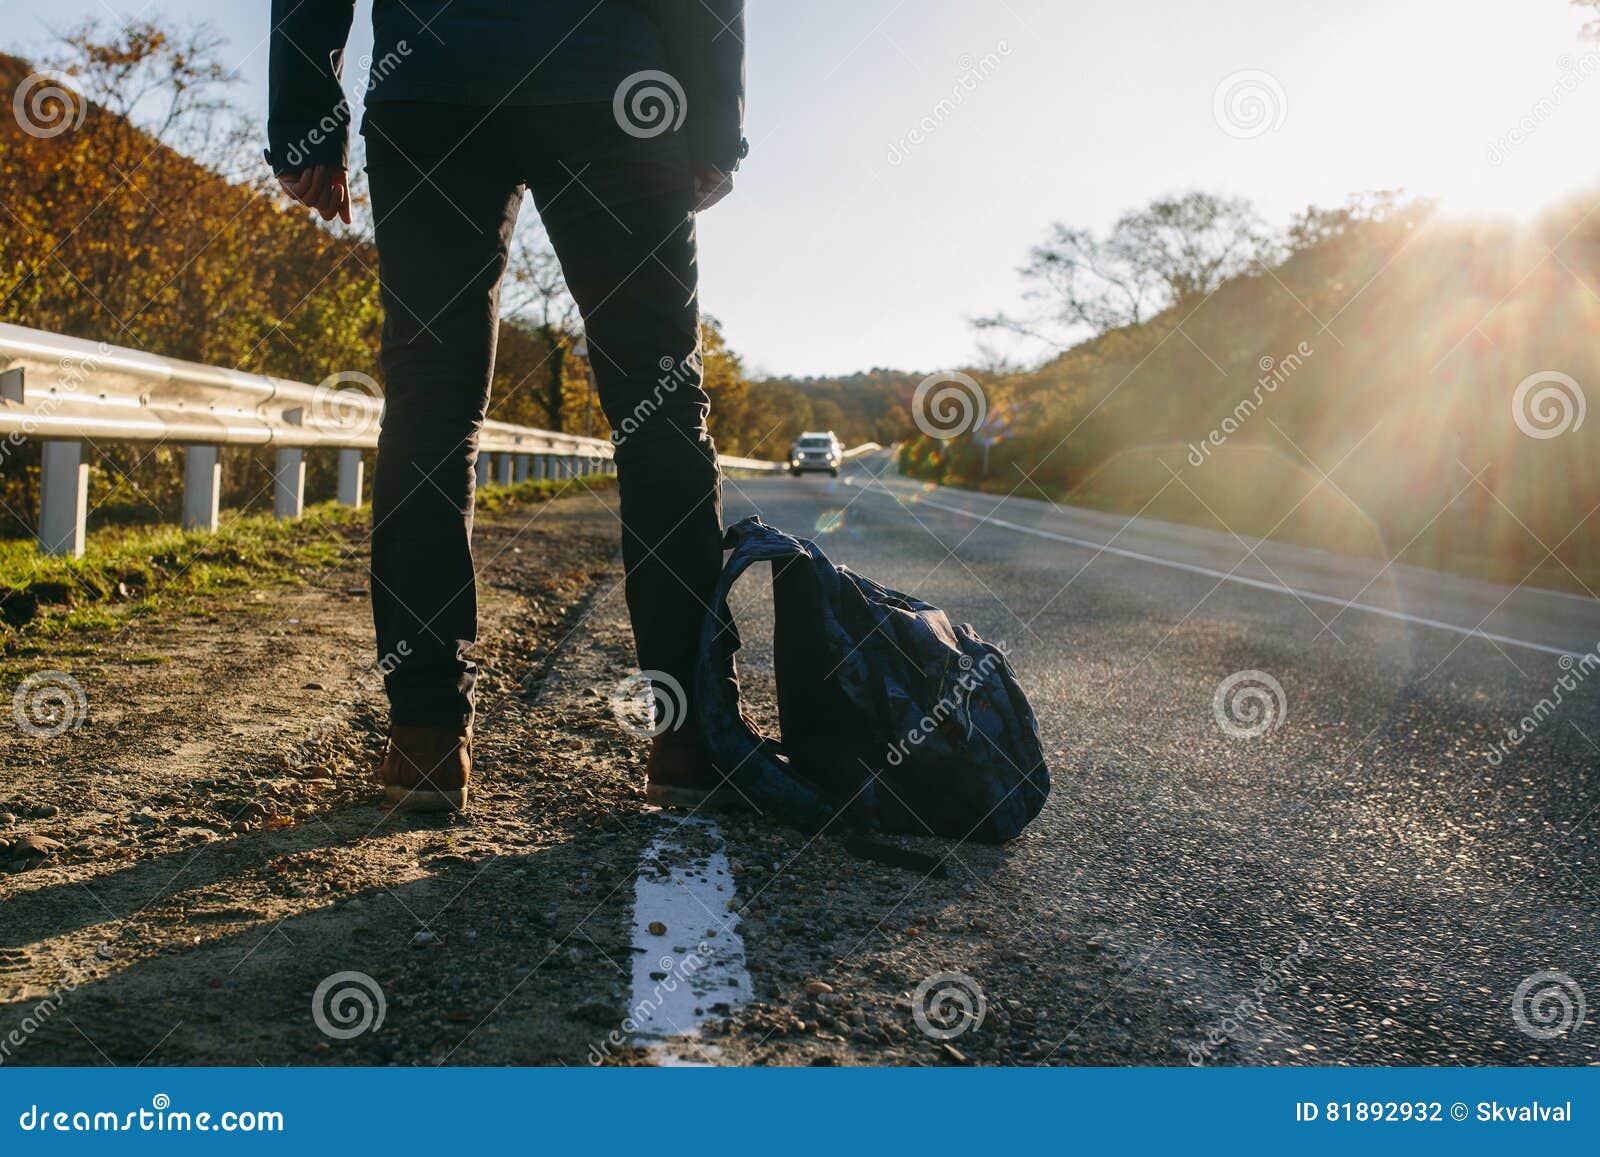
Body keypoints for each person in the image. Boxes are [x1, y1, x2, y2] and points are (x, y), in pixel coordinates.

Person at [266, 1, 746, 811]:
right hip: (615, 82)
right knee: (659, 404)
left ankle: (426, 735)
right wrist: (712, 121)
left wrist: (306, 115)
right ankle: (691, 735)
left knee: (429, 404)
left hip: (433, 78)